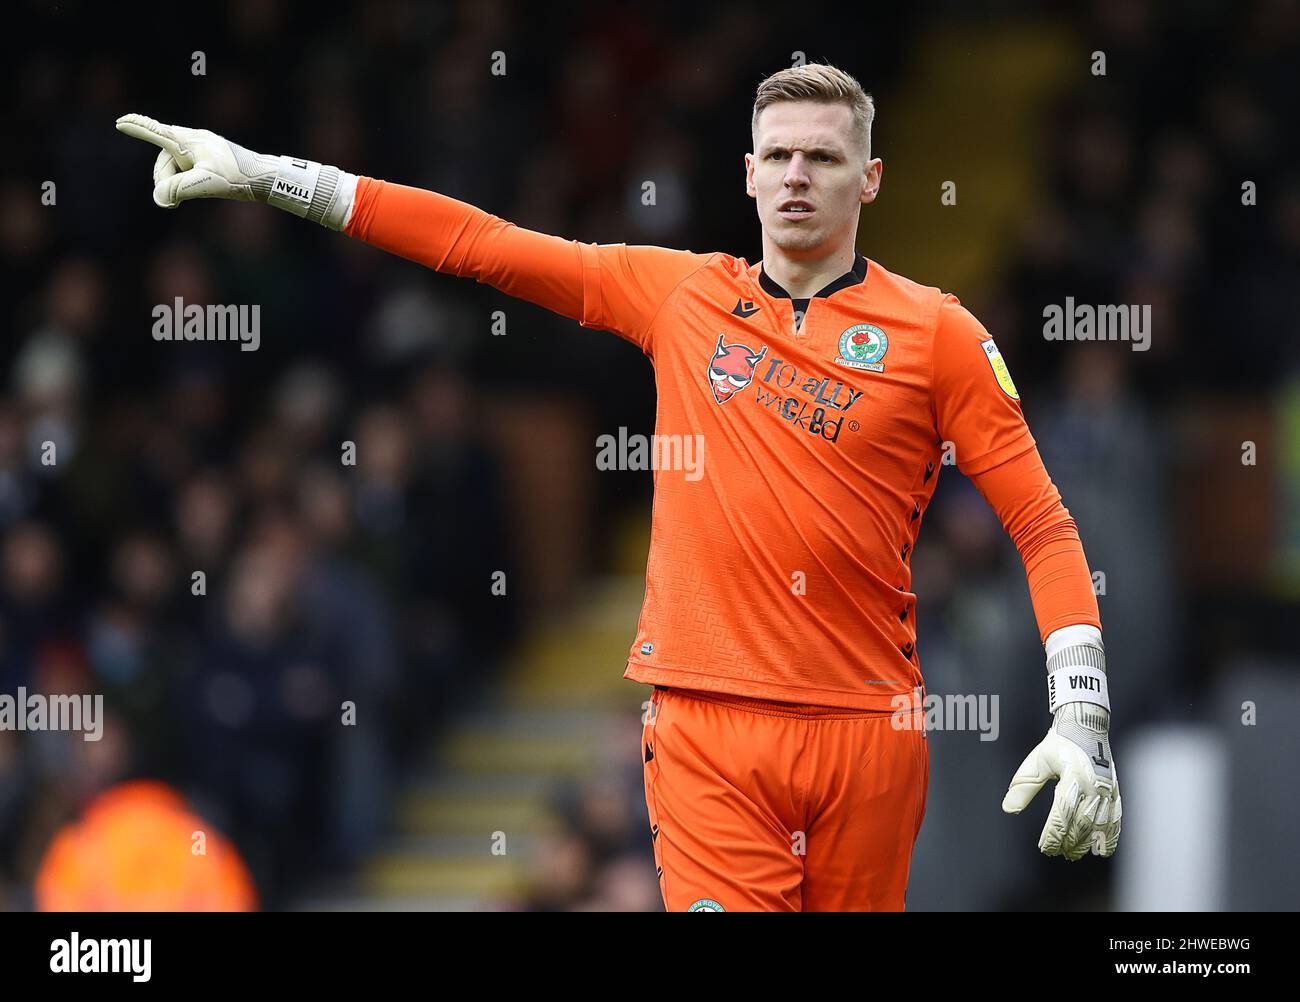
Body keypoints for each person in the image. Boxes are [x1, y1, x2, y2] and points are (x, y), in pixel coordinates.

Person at [115, 62, 1119, 911]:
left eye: (823, 156)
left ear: (871, 178)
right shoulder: (680, 295)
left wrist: (1080, 715)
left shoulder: (939, 336)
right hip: (706, 726)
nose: (797, 177)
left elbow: (1042, 526)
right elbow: (481, 244)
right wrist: (271, 177)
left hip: (869, 730)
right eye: (778, 156)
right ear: (748, 174)